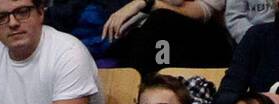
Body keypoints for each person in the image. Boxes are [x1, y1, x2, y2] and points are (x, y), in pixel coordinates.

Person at [99, 0, 231, 78]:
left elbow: (202, 11)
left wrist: (147, 3)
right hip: (144, 33)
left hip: (206, 43)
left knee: (161, 20)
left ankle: (153, 88)